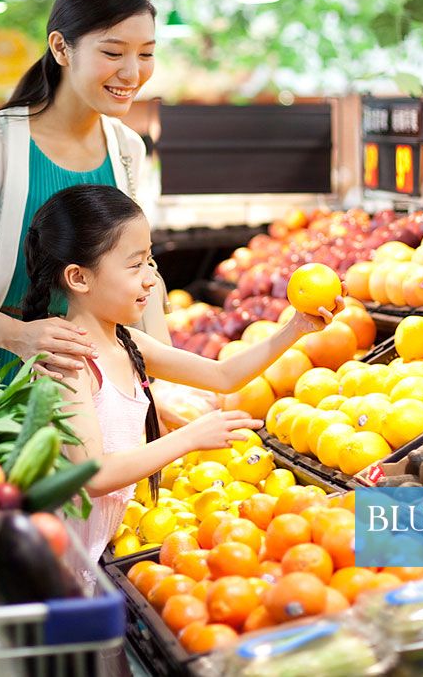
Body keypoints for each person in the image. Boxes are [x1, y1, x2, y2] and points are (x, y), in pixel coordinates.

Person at [22, 184, 335, 565]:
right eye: (134, 265)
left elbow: (223, 376)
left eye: (150, 262)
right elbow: (94, 475)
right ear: (79, 278)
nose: (151, 279)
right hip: (66, 557)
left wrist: (297, 327)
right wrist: (189, 438)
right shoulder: (68, 362)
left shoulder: (127, 342)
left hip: (101, 547)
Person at [0, 0, 166, 412]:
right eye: (112, 52)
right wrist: (21, 338)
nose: (132, 72)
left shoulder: (128, 151)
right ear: (61, 47)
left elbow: (140, 278)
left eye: (146, 54)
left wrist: (159, 385)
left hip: (80, 396)